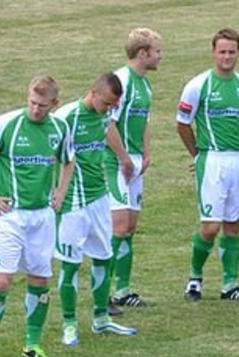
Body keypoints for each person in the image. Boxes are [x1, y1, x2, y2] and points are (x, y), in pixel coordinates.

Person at [0, 75, 70, 357]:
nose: (36, 110)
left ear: (54, 104)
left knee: (40, 279)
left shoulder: (59, 128)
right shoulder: (5, 124)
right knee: (2, 281)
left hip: (43, 218)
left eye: (43, 106)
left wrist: (61, 191)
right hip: (11, 217)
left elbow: (68, 159)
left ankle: (32, 345)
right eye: (32, 103)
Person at [54, 73, 139, 348]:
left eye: (114, 106)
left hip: (99, 197)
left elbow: (108, 129)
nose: (109, 110)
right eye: (106, 104)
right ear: (93, 93)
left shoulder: (105, 113)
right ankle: (69, 323)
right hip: (72, 203)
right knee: (71, 264)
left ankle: (101, 318)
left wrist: (123, 156)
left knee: (103, 256)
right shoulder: (66, 117)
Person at [177, 28, 239, 303]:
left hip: (238, 159)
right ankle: (195, 278)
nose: (226, 56)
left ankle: (231, 284)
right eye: (222, 51)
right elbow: (182, 123)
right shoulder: (198, 85)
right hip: (212, 160)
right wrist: (198, 155)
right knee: (211, 227)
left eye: (231, 52)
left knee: (233, 224)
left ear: (238, 53)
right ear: (213, 52)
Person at [106, 28, 162, 309]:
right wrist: (125, 157)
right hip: (116, 163)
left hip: (135, 162)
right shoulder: (122, 81)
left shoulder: (145, 83)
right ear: (143, 53)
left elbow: (146, 121)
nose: (160, 56)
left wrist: (146, 154)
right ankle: (103, 292)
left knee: (131, 227)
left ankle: (123, 290)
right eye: (157, 51)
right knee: (119, 227)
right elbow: (108, 124)